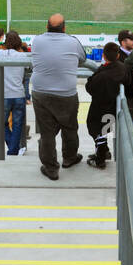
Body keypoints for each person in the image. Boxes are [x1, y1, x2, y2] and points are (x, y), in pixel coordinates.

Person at [29, 13, 87, 180]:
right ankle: (69, 158)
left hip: (40, 92)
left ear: (47, 27)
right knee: (69, 128)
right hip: (66, 93)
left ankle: (51, 168)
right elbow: (83, 58)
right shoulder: (72, 41)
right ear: (64, 28)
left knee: (47, 133)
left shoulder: (37, 40)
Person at [86, 41, 130, 168]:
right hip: (113, 108)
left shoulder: (102, 75)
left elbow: (90, 87)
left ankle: (100, 159)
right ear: (117, 56)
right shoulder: (122, 68)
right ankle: (104, 152)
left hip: (99, 108)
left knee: (97, 131)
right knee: (104, 131)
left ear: (104, 56)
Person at [0, 30, 30, 156]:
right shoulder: (22, 56)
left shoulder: (0, 53)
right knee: (17, 124)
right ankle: (13, 149)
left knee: (2, 123)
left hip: (4, 94)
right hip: (19, 94)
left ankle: (12, 147)